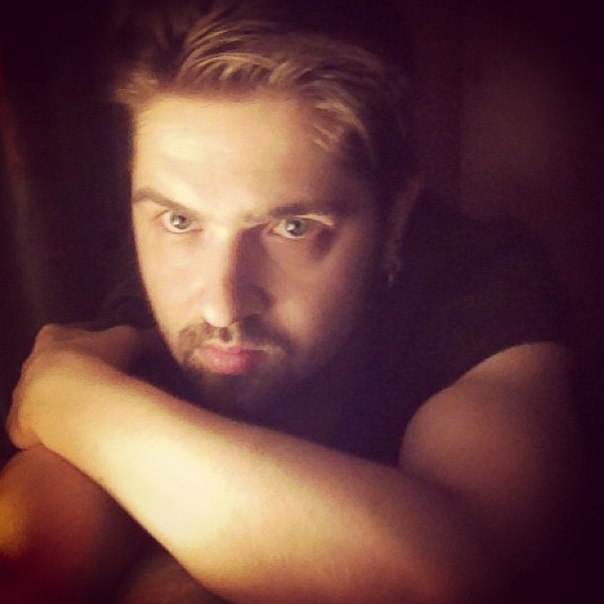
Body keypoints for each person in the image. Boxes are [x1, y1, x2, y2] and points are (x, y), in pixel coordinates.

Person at [0, 1, 579, 602]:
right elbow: (41, 540)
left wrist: (72, 398)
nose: (221, 306)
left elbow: (457, 580)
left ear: (395, 221)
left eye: (293, 228)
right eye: (178, 220)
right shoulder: (158, 284)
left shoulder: (481, 281)